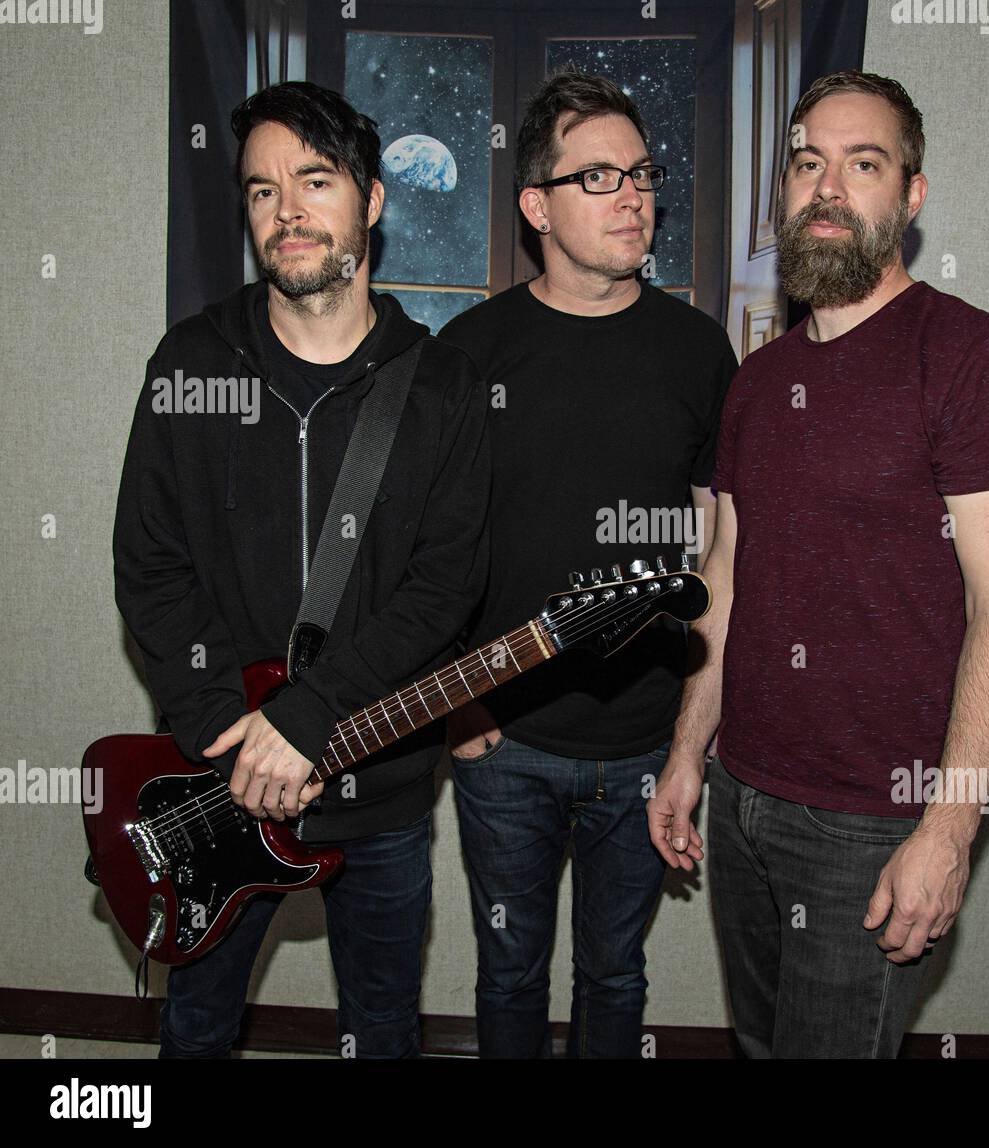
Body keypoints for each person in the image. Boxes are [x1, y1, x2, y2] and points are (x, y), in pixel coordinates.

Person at [648, 70, 989, 1059]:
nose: (827, 187)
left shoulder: (975, 358)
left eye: (862, 164)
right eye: (806, 163)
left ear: (911, 197)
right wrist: (687, 751)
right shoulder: (758, 380)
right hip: (744, 794)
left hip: (875, 823)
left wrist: (948, 831)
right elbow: (725, 578)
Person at [112, 80, 490, 1058]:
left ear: (372, 200)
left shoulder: (442, 383)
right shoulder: (191, 362)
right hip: (217, 780)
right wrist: (223, 728)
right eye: (262, 189)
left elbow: (445, 590)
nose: (287, 210)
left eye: (315, 181)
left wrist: (307, 716)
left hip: (382, 786)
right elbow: (149, 564)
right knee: (197, 1028)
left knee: (383, 1031)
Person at [436, 68, 738, 1059]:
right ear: (537, 206)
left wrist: (689, 744)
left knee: (615, 976)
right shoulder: (471, 350)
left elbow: (722, 553)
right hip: (505, 742)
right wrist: (460, 706)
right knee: (508, 976)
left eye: (642, 173)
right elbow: (426, 552)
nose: (634, 196)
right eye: (598, 177)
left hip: (647, 742)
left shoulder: (699, 352)